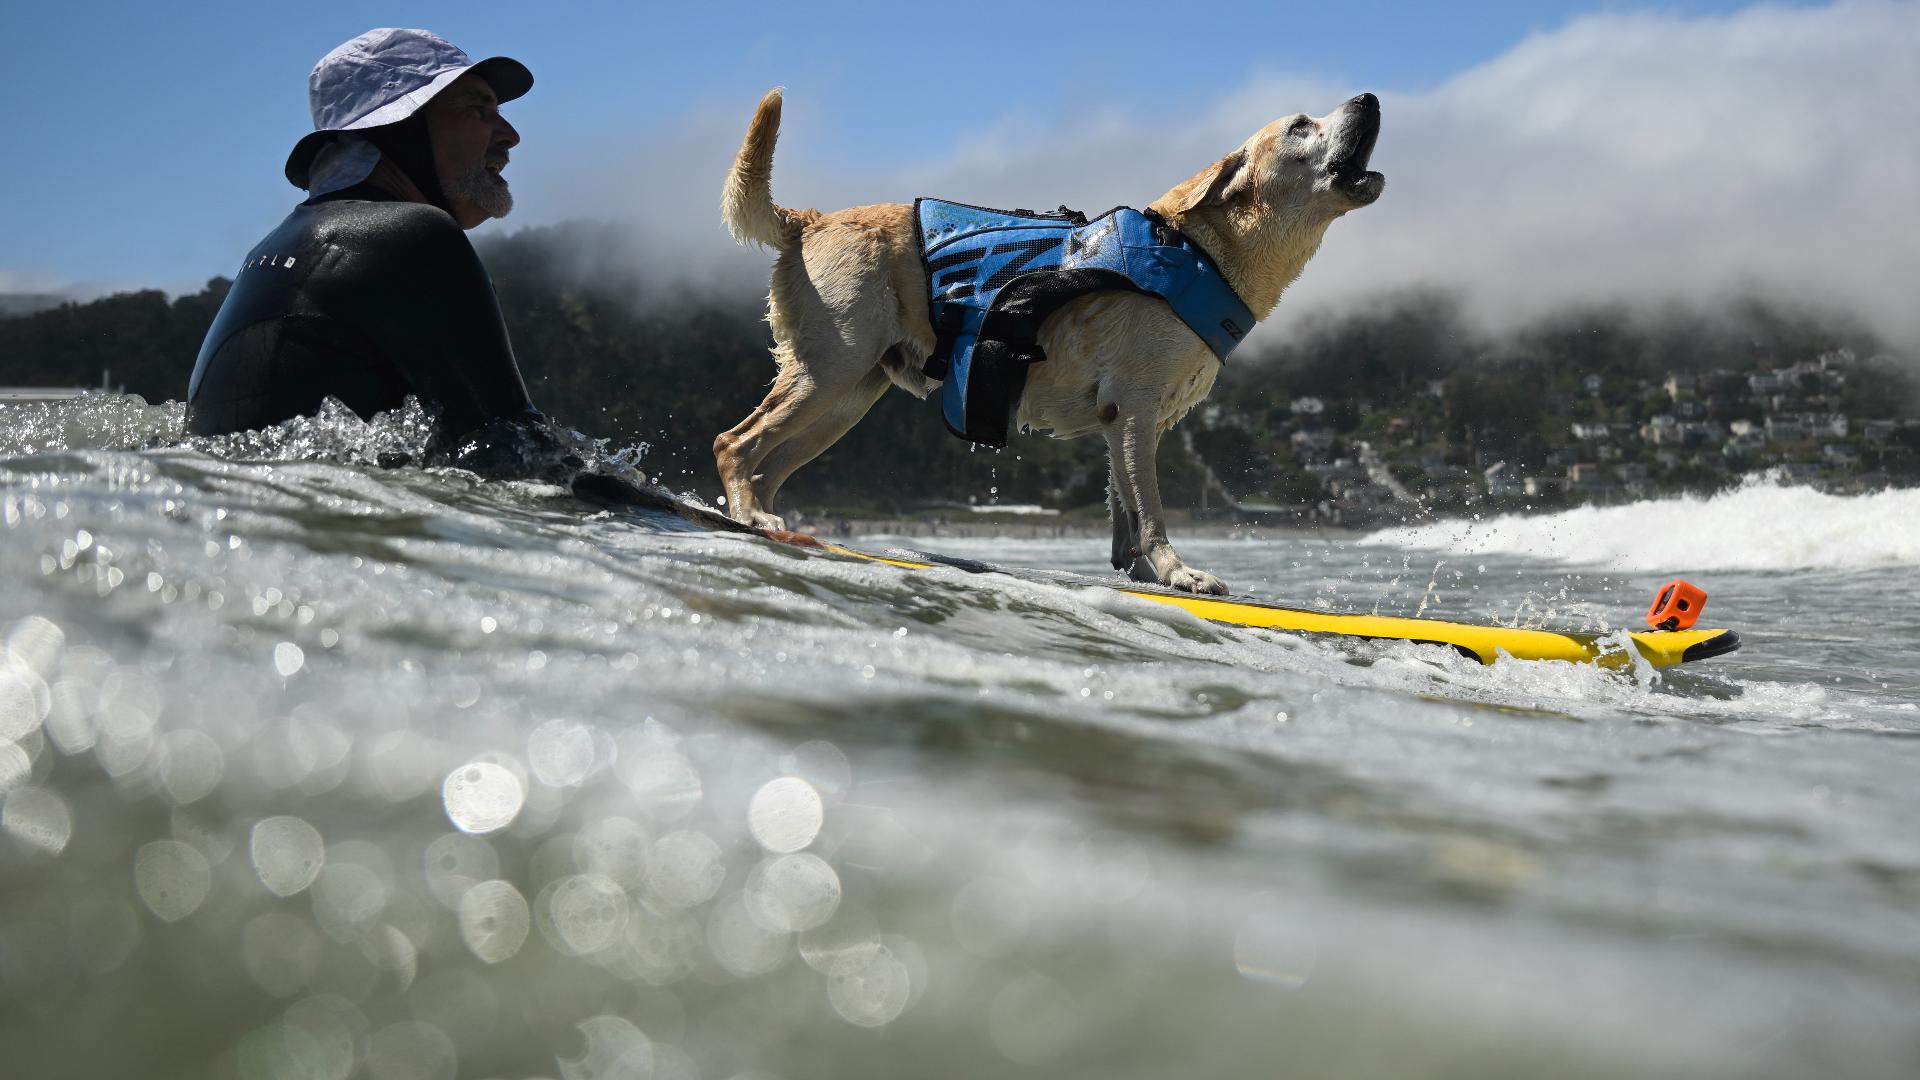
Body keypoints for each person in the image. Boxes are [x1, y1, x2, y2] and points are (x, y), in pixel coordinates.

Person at [186, 28, 543, 454]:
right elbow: (520, 452)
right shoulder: (412, 235)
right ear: (399, 129)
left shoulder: (270, 250)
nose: (509, 134)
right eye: (476, 108)